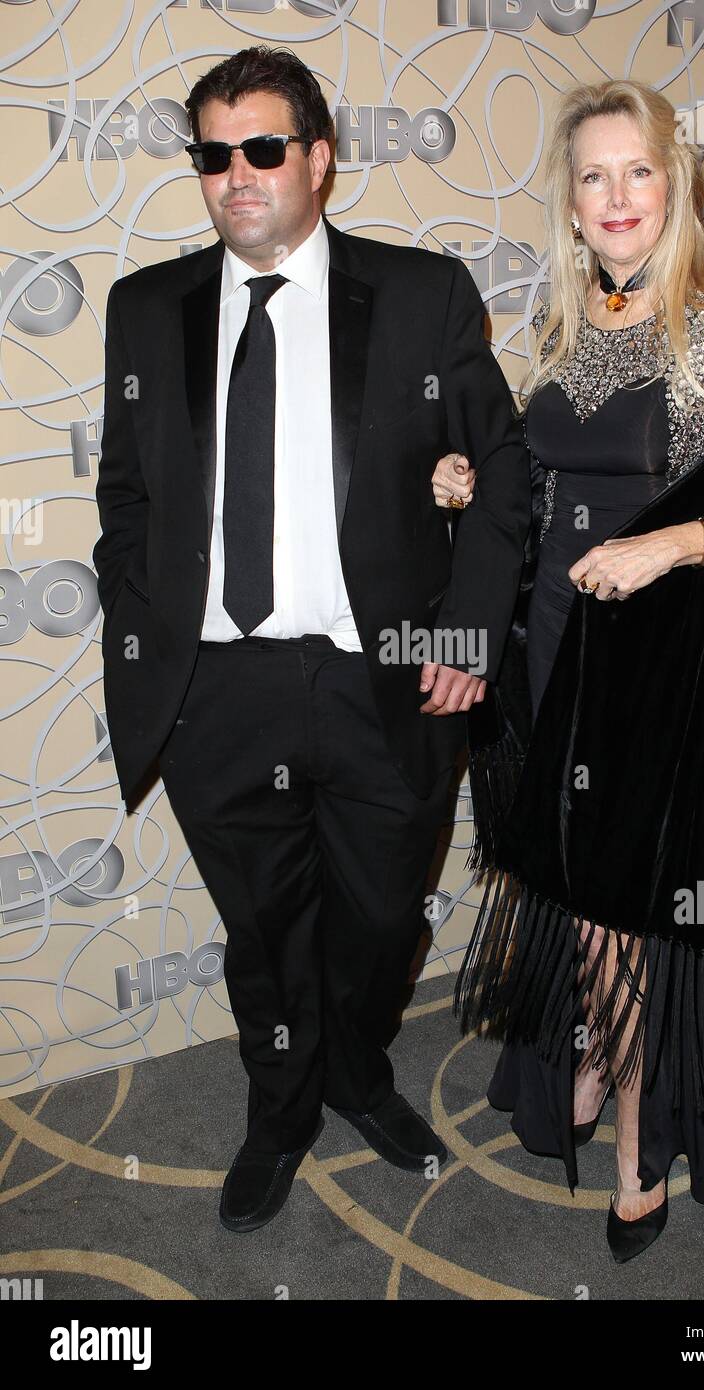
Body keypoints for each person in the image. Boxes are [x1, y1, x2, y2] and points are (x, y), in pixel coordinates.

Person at [93, 45, 530, 1234]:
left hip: (379, 674)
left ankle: (355, 1067)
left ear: (318, 159)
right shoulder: (146, 311)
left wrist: (468, 632)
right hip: (217, 687)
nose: (237, 176)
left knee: (382, 913)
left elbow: (498, 473)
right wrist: (141, 627)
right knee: (265, 922)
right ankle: (282, 1105)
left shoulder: (420, 294)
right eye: (214, 154)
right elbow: (126, 499)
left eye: (264, 149)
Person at [432, 79, 704, 1262]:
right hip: (549, 635)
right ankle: (595, 1054)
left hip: (656, 656)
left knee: (617, 898)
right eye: (591, 174)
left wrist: (674, 540)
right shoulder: (558, 326)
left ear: (676, 184)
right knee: (571, 873)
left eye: (636, 171)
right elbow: (531, 479)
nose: (614, 196)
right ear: (569, 196)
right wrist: (468, 484)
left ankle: (639, 1135)